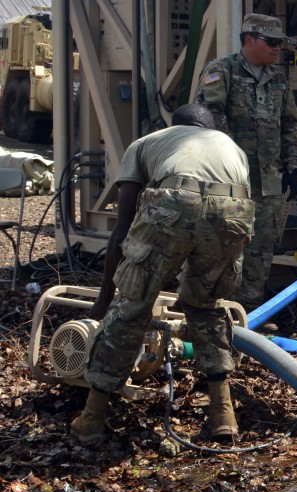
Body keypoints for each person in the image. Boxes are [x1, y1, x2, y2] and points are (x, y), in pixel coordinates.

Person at [70, 103, 257, 444]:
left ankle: (92, 418)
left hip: (174, 201)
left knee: (132, 308)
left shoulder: (148, 142)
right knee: (206, 306)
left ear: (176, 126)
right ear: (209, 127)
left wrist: (104, 298)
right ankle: (223, 416)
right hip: (235, 210)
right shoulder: (232, 148)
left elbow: (123, 227)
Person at [194, 13, 297, 310]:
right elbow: (209, 117)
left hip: (267, 182)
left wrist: (294, 165)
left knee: (260, 249)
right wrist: (231, 162)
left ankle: (251, 312)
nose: (277, 48)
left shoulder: (277, 79)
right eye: (271, 42)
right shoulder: (222, 71)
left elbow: (291, 123)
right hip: (227, 182)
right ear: (248, 40)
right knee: (222, 247)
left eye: (280, 42)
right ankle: (213, 310)